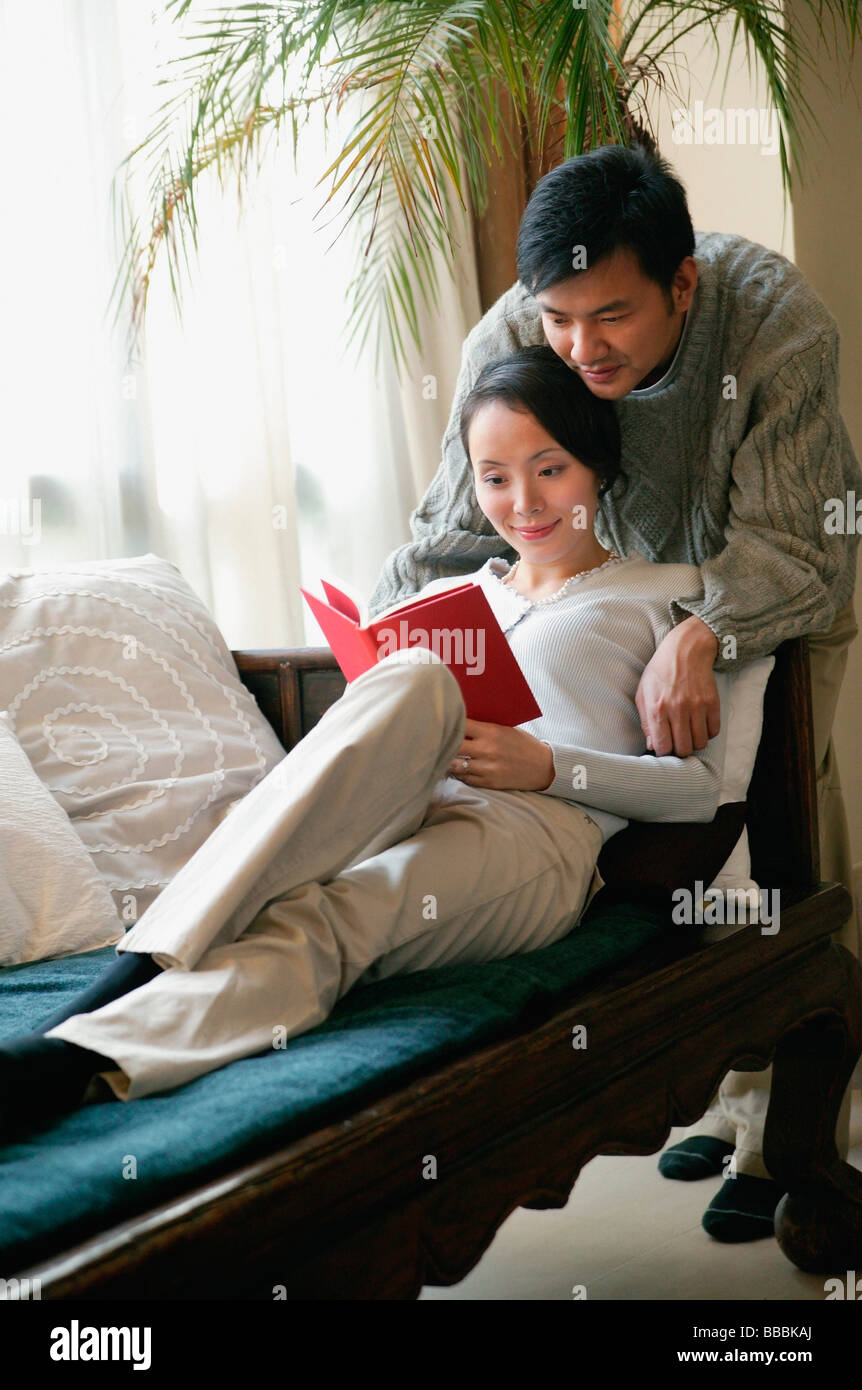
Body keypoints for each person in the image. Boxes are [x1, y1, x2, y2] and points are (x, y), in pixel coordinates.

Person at [0, 347, 731, 1156]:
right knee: (416, 676)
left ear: (597, 463)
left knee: (333, 913)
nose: (523, 502)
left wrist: (552, 768)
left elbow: (701, 792)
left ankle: (78, 1054)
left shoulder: (664, 594)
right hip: (411, 795)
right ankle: (133, 971)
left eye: (549, 469)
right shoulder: (450, 599)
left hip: (539, 834)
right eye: (493, 477)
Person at [367, 143, 862, 1242]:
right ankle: (727, 1092)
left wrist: (703, 630)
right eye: (558, 321)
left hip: (764, 591)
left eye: (612, 319)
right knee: (666, 855)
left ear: (682, 284)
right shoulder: (511, 333)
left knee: (778, 832)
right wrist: (394, 647)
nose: (577, 348)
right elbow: (450, 533)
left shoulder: (776, 323)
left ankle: (786, 1129)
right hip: (608, 606)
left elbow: (795, 544)